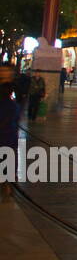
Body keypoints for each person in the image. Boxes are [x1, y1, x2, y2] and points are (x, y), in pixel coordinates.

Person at [0, 64, 20, 201]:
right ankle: (7, 186)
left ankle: (7, 186)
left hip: (8, 135)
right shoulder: (12, 103)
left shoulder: (13, 88)